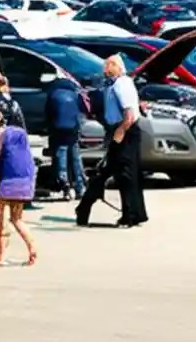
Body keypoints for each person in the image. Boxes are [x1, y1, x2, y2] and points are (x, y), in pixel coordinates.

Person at [77, 55, 147, 227]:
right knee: (110, 170)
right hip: (116, 129)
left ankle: (131, 214)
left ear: (116, 66)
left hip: (124, 130)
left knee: (125, 174)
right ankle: (86, 207)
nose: (104, 69)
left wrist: (120, 132)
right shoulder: (113, 84)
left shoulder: (122, 85)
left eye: (108, 66)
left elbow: (129, 114)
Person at [0, 121, 39, 266]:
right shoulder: (22, 137)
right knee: (17, 219)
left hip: (6, 184)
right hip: (24, 184)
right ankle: (32, 247)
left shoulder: (2, 133)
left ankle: (1, 255)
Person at [44, 73, 87, 200]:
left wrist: (49, 128)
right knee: (75, 158)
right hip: (73, 129)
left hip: (58, 128)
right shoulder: (74, 93)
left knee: (61, 155)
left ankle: (65, 186)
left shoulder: (52, 94)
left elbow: (48, 113)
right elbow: (80, 112)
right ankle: (80, 186)